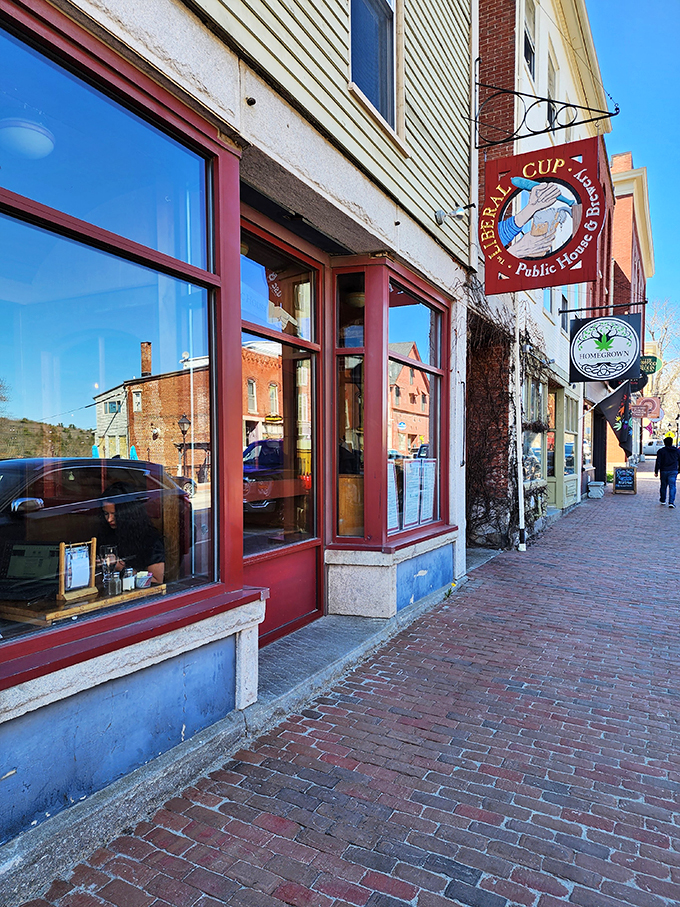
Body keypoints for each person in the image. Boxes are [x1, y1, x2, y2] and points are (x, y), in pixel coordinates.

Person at [99, 482, 165, 583]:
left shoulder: (150, 540)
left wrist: (120, 568)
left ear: (128, 514)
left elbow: (157, 580)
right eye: (106, 514)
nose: (109, 519)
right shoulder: (107, 533)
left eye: (115, 515)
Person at [655, 437, 680, 508]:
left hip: (664, 470)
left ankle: (663, 500)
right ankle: (671, 502)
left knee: (663, 485)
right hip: (673, 470)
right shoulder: (676, 451)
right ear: (672, 442)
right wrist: (679, 470)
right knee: (672, 486)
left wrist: (656, 471)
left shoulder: (661, 451)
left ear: (664, 443)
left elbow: (658, 461)